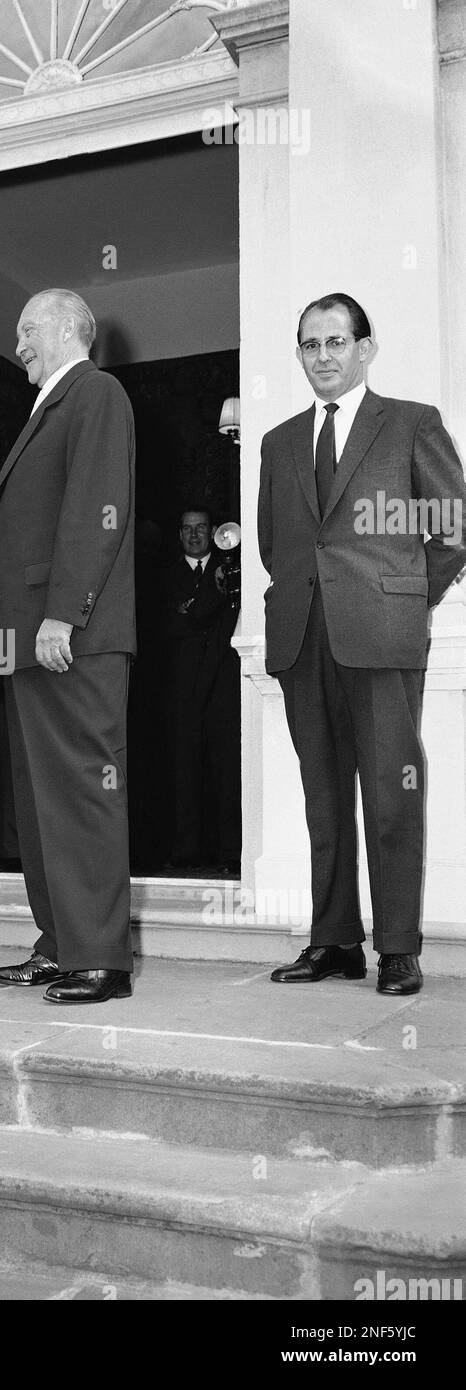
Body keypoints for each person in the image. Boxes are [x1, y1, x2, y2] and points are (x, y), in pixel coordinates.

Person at [0, 289, 136, 1004]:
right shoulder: (49, 406)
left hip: (67, 638)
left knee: (82, 794)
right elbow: (18, 536)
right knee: (42, 804)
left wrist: (64, 616)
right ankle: (61, 944)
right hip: (29, 642)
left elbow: (96, 512)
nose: (16, 344)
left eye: (26, 330)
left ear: (70, 328)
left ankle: (100, 957)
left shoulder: (95, 392)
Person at [258, 292, 466, 995]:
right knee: (323, 796)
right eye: (310, 344)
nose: (322, 356)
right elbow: (272, 542)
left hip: (382, 634)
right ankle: (335, 940)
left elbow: (452, 528)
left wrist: (406, 592)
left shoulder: (410, 423)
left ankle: (398, 948)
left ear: (364, 349)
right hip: (302, 635)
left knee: (391, 791)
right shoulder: (278, 441)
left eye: (336, 342)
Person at [162, 506, 241, 874]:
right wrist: (205, 604)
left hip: (223, 683)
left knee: (225, 768)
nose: (194, 535)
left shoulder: (233, 569)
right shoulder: (167, 575)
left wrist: (194, 609)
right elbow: (172, 624)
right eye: (187, 528)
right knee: (184, 768)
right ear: (180, 535)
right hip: (182, 685)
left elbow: (208, 618)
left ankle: (229, 851)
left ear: (212, 533)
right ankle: (186, 851)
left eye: (201, 528)